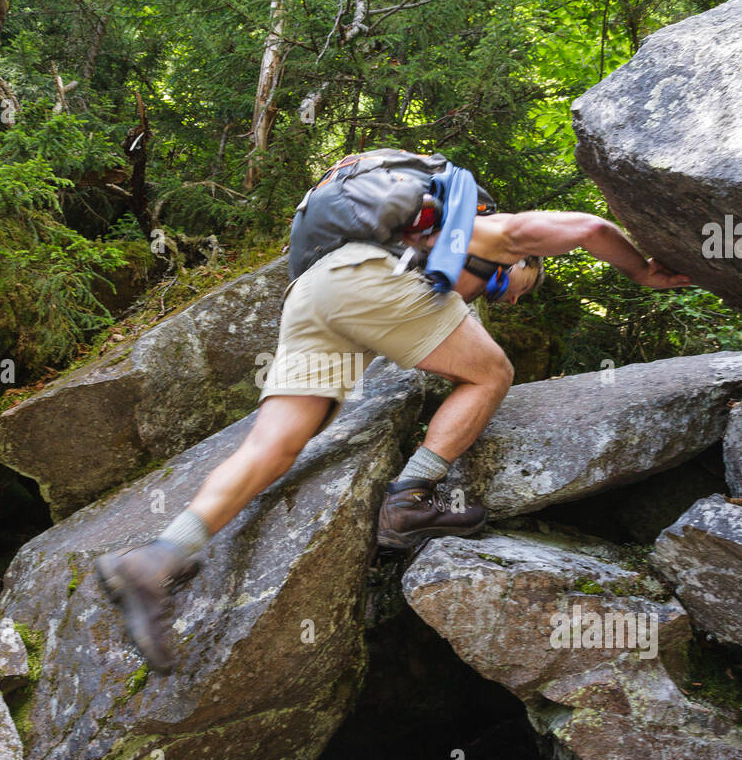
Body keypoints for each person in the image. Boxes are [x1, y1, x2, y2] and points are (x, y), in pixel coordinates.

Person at [97, 162, 690, 669]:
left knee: (273, 448)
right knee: (493, 373)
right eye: (511, 286)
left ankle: (156, 557)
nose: (498, 296)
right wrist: (643, 270)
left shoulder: (417, 245)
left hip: (315, 293)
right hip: (363, 285)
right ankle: (409, 499)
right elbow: (588, 227)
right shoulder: (494, 231)